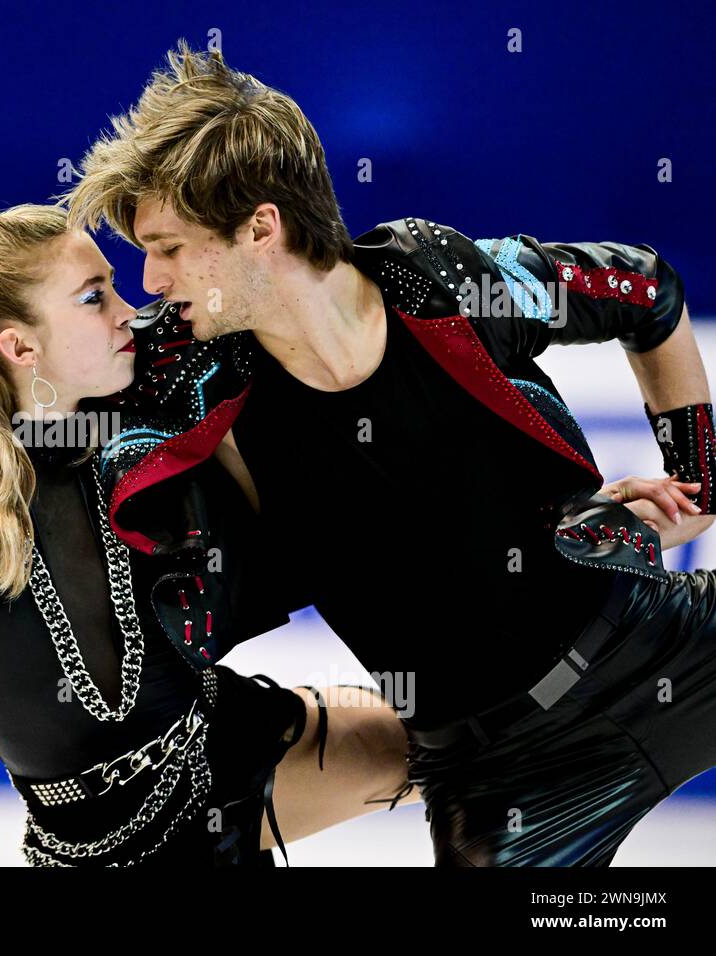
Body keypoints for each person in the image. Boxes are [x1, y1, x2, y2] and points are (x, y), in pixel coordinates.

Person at [63, 39, 716, 866]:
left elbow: (646, 291)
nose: (151, 281)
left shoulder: (437, 279)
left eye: (168, 247)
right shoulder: (189, 372)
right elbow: (29, 387)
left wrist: (701, 481)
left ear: (261, 225)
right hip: (501, 775)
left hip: (664, 643)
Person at [0, 203, 419, 867]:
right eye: (93, 297)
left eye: (112, 285)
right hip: (96, 842)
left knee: (456, 747)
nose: (123, 311)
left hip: (219, 745)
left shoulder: (133, 405)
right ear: (22, 347)